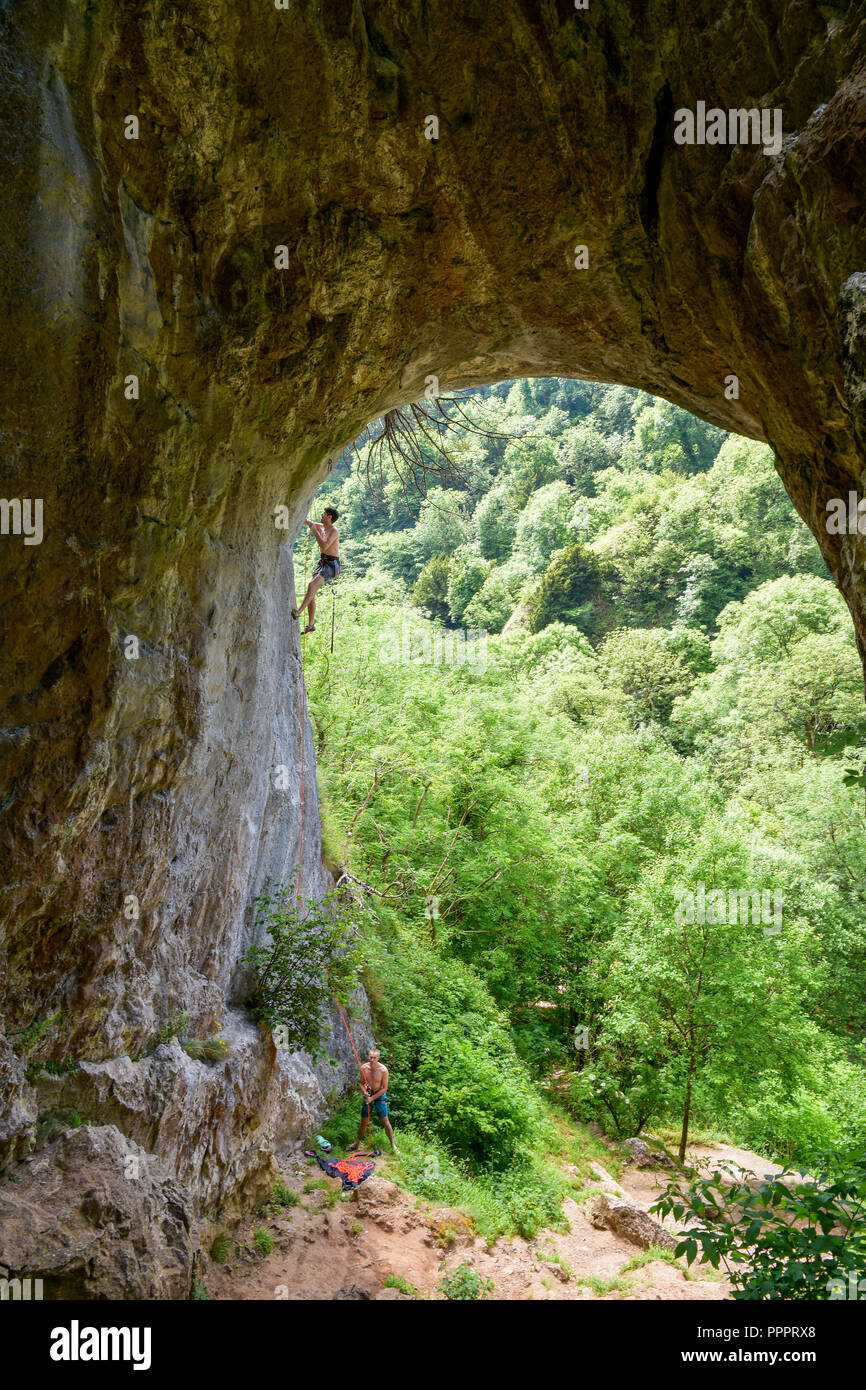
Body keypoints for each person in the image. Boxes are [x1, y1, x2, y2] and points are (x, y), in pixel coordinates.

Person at [292, 506, 341, 634]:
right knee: (311, 590)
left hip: (331, 564)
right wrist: (296, 514)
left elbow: (324, 546)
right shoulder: (323, 527)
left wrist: (315, 531)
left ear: (329, 517)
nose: (322, 515)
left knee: (312, 584)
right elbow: (310, 523)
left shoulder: (333, 531)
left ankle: (298, 612)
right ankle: (311, 624)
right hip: (323, 561)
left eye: (324, 514)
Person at [348, 1047, 399, 1154]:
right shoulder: (364, 1068)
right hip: (369, 1094)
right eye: (370, 1057)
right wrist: (365, 1092)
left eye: (374, 1058)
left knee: (385, 1121)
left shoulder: (383, 1070)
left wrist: (372, 1098)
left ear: (378, 1058)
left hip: (379, 1095)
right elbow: (361, 1083)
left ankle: (393, 1144)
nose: (372, 1060)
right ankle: (356, 1142)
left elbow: (384, 1088)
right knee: (363, 1121)